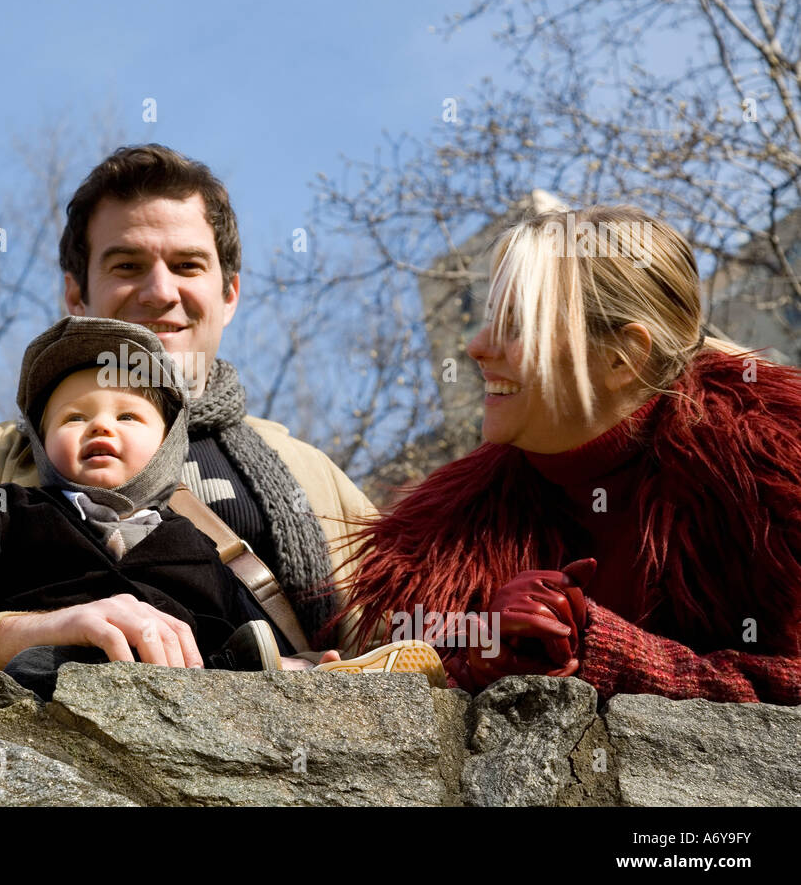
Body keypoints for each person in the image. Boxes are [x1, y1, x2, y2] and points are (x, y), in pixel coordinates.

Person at [0, 144, 374, 675]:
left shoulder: (310, 471)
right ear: (76, 297)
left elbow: (417, 647)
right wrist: (39, 632)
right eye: (127, 266)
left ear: (229, 293)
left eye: (187, 265)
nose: (159, 292)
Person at [336, 204, 801, 705]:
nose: (476, 347)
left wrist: (603, 650)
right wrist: (455, 669)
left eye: (517, 325)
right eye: (487, 319)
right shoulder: (441, 541)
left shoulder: (767, 484)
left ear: (623, 359)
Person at [0, 316, 307, 697]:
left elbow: (231, 614)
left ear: (166, 446)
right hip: (54, 666)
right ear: (42, 445)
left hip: (183, 683)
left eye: (127, 417)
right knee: (39, 668)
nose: (100, 424)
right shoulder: (21, 508)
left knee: (225, 661)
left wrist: (292, 659)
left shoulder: (196, 544)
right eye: (74, 418)